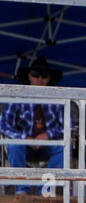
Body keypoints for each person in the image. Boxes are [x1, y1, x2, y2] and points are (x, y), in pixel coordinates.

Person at [1, 56, 65, 194]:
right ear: (29, 76)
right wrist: (25, 137)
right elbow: (4, 125)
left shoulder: (58, 100)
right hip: (24, 145)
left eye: (44, 76)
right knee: (13, 145)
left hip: (49, 145)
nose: (40, 79)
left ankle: (46, 190)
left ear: (48, 79)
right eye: (36, 75)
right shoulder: (17, 98)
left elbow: (68, 126)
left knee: (64, 148)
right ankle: (22, 190)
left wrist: (47, 135)